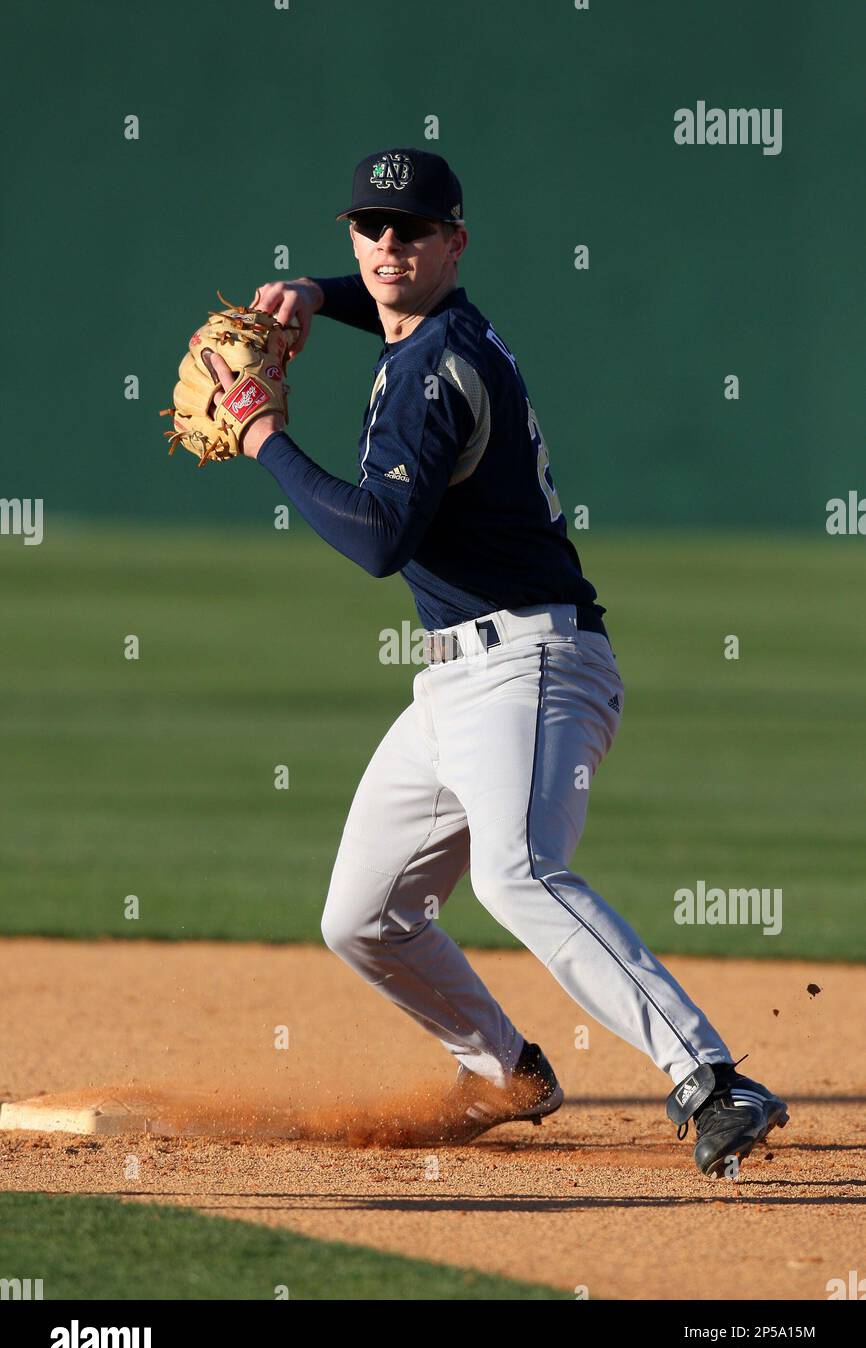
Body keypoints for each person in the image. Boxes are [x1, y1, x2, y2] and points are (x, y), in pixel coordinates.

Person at [205, 147, 787, 1178]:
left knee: (518, 873)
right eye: (370, 227)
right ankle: (506, 1068)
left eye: (415, 228)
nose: (389, 244)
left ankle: (710, 1077)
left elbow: (380, 539)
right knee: (362, 917)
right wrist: (315, 295)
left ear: (453, 243)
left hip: (532, 665)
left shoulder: (431, 373)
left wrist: (264, 440)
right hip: (460, 678)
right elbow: (389, 296)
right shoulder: (434, 331)